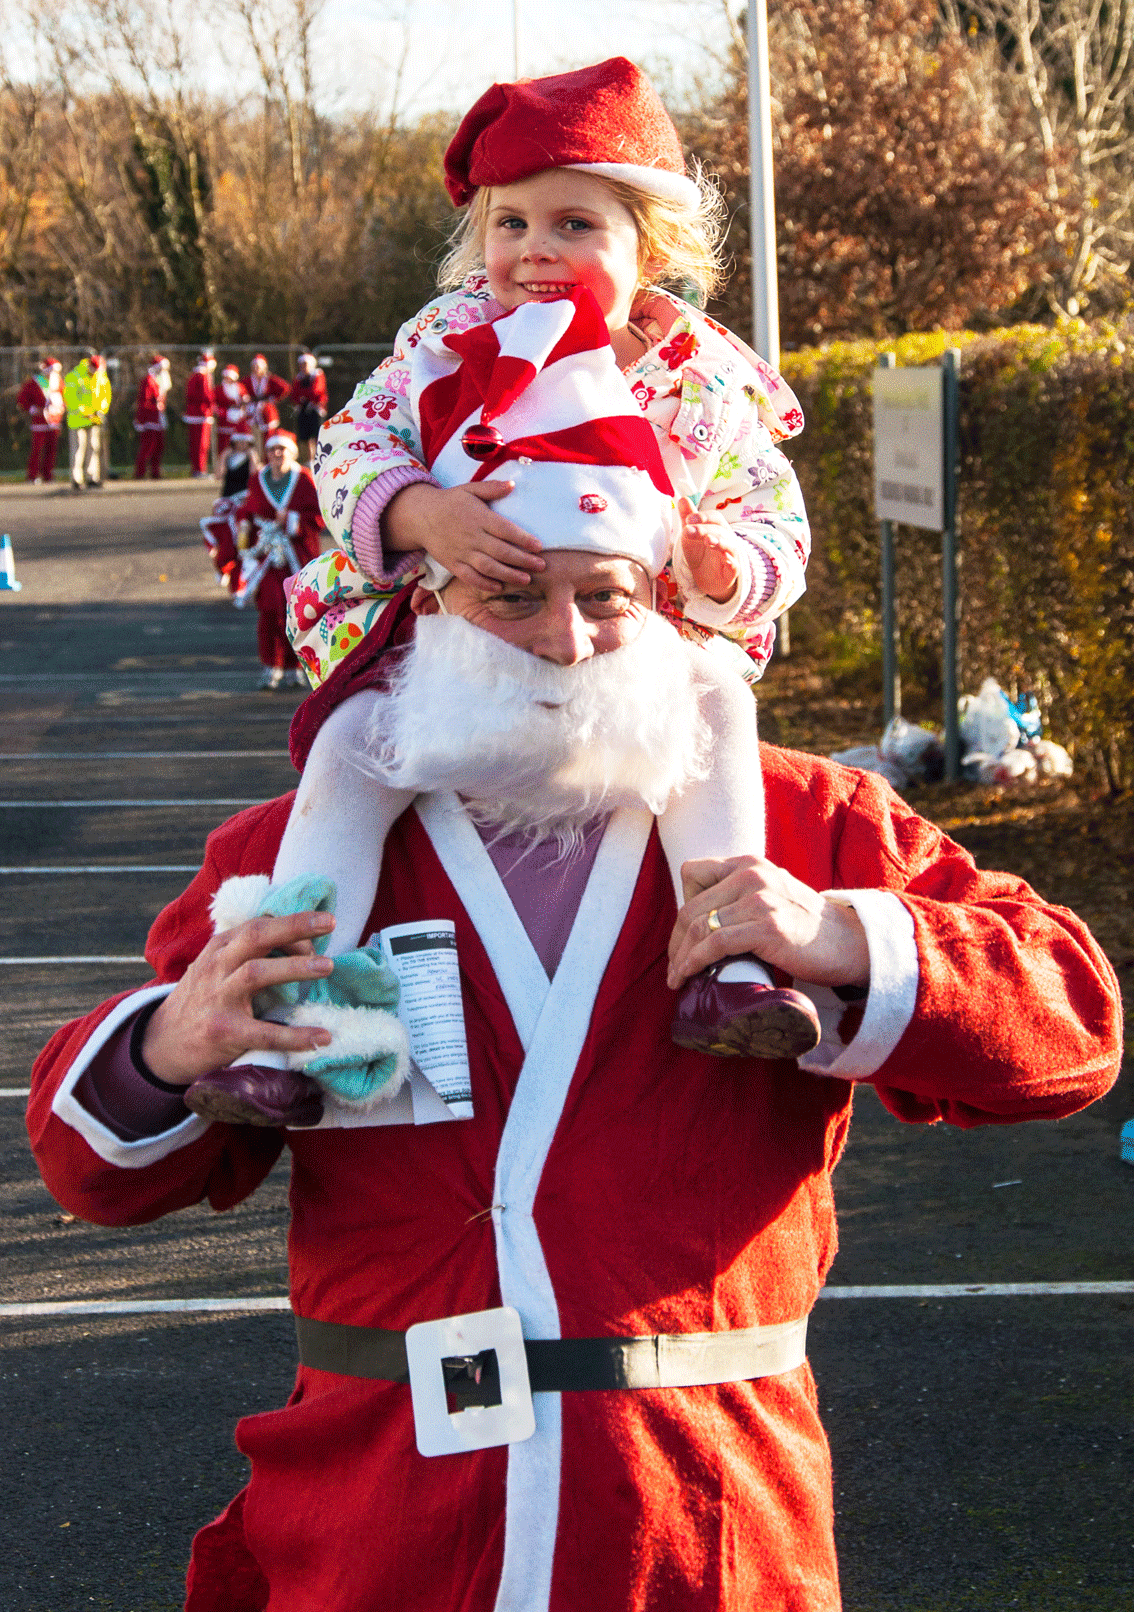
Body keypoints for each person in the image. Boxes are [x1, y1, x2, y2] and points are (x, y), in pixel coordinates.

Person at [27, 523, 1122, 1609]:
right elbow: (86, 1170)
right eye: (510, 598)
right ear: (424, 608)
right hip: (376, 1528)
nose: (567, 639)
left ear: (664, 604)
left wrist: (841, 936)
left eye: (605, 596)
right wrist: (167, 1045)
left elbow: (1076, 1018)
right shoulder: (290, 850)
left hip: (705, 1525)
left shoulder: (798, 821)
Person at [285, 57, 815, 1058]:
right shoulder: (443, 344)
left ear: (648, 244)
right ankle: (296, 993)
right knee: (349, 745)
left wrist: (728, 572)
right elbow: (349, 451)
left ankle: (732, 965)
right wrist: (422, 513)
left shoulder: (699, 384)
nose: (536, 249)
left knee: (719, 708)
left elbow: (776, 516)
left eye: (576, 223)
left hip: (636, 663)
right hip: (454, 650)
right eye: (510, 222)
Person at [233, 427, 324, 690]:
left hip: (298, 556)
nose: (276, 454)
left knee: (299, 612)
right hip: (269, 558)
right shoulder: (257, 480)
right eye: (273, 449)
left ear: (291, 452)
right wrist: (244, 527)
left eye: (282, 449)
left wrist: (293, 519)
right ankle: (271, 665)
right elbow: (248, 511)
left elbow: (319, 518)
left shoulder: (304, 480)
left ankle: (297, 667)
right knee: (270, 611)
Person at [200, 427, 257, 592]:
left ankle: (241, 576)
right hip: (227, 502)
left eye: (244, 441)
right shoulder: (228, 456)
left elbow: (255, 476)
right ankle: (222, 566)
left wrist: (252, 456)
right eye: (238, 440)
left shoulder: (251, 457)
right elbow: (218, 475)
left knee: (243, 539)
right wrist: (224, 456)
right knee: (224, 538)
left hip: (244, 502)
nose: (241, 444)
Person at [64, 348, 111, 490]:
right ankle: (76, 479)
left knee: (94, 448)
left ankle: (92, 477)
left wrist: (101, 410)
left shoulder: (101, 377)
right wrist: (85, 412)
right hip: (78, 420)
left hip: (94, 419)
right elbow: (70, 398)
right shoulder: (75, 376)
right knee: (78, 449)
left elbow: (106, 396)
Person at [17, 356, 64, 482]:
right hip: (39, 421)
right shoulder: (36, 381)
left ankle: (48, 476)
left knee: (51, 450)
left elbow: (63, 397)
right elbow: (22, 398)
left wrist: (62, 407)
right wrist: (32, 409)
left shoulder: (58, 381)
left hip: (54, 420)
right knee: (37, 450)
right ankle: (32, 476)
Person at [133, 353, 171, 479]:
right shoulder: (148, 381)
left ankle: (155, 471)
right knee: (148, 446)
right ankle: (140, 472)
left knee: (159, 446)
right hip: (150, 418)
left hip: (158, 417)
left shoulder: (160, 380)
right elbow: (145, 401)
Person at [244, 353, 289, 457]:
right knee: (253, 438)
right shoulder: (248, 380)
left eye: (258, 367)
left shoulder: (269, 378)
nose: (256, 369)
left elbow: (285, 388)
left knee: (269, 438)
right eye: (254, 367)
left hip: (267, 412)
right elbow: (241, 390)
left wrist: (273, 398)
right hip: (253, 412)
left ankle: (269, 459)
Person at [288, 350, 328, 466]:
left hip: (315, 410)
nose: (303, 367)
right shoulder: (298, 378)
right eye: (301, 365)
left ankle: (319, 458)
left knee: (317, 436)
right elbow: (294, 394)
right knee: (305, 437)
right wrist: (304, 397)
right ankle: (308, 460)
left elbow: (316, 391)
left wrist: (304, 396)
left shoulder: (318, 375)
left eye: (305, 364)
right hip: (302, 410)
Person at [184, 348, 217, 477]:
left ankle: (197, 469)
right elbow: (206, 395)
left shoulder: (194, 376)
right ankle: (200, 469)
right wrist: (214, 404)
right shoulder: (203, 376)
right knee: (201, 445)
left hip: (194, 414)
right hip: (201, 414)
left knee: (196, 444)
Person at [215, 364, 251, 473]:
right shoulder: (219, 389)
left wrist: (244, 406)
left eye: (230, 377)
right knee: (224, 445)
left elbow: (246, 401)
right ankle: (223, 468)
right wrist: (224, 413)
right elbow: (215, 405)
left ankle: (241, 467)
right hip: (225, 420)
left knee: (240, 443)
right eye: (226, 377)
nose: (228, 380)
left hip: (239, 420)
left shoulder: (240, 387)